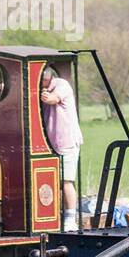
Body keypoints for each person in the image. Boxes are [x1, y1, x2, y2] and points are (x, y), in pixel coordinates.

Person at [40, 65, 83, 231]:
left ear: (46, 78)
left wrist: (44, 96)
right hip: (51, 144)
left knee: (67, 181)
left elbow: (53, 99)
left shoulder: (61, 85)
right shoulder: (45, 88)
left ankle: (70, 220)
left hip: (67, 142)